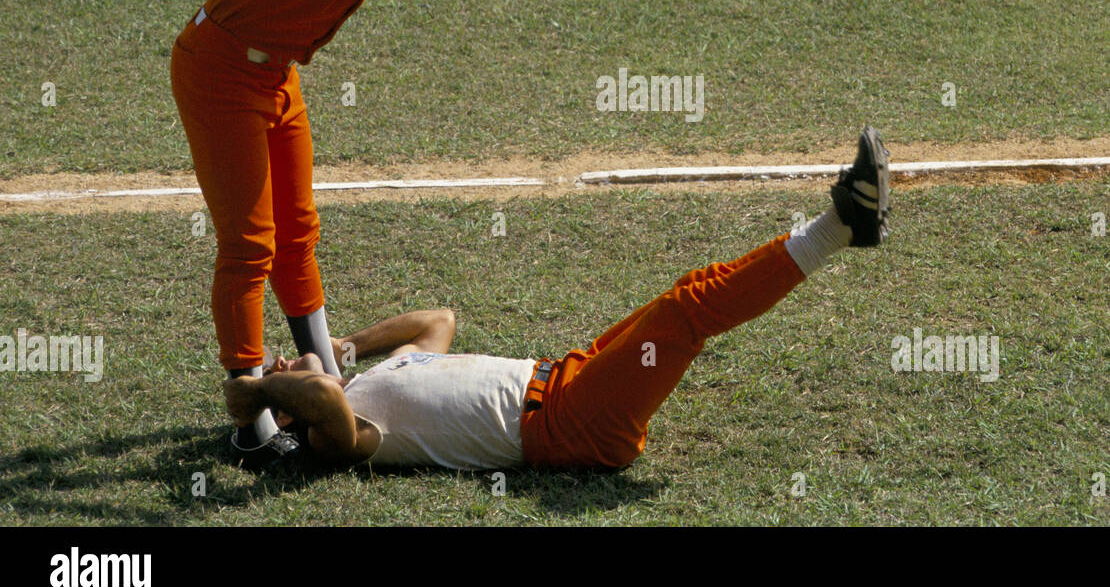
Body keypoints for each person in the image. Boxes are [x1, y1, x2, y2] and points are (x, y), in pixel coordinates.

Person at [172, 0, 677, 467]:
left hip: (273, 71)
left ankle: (324, 373)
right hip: (223, 71)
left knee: (298, 232)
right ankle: (250, 425)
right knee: (250, 245)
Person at [223, 125, 890, 471]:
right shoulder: (338, 435)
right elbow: (326, 400)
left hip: (566, 375)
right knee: (686, 316)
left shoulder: (372, 376)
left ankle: (842, 227)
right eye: (278, 373)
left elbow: (438, 319)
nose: (280, 359)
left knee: (686, 295)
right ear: (287, 417)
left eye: (275, 362)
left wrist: (345, 347)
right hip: (569, 425)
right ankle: (838, 227)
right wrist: (256, 392)